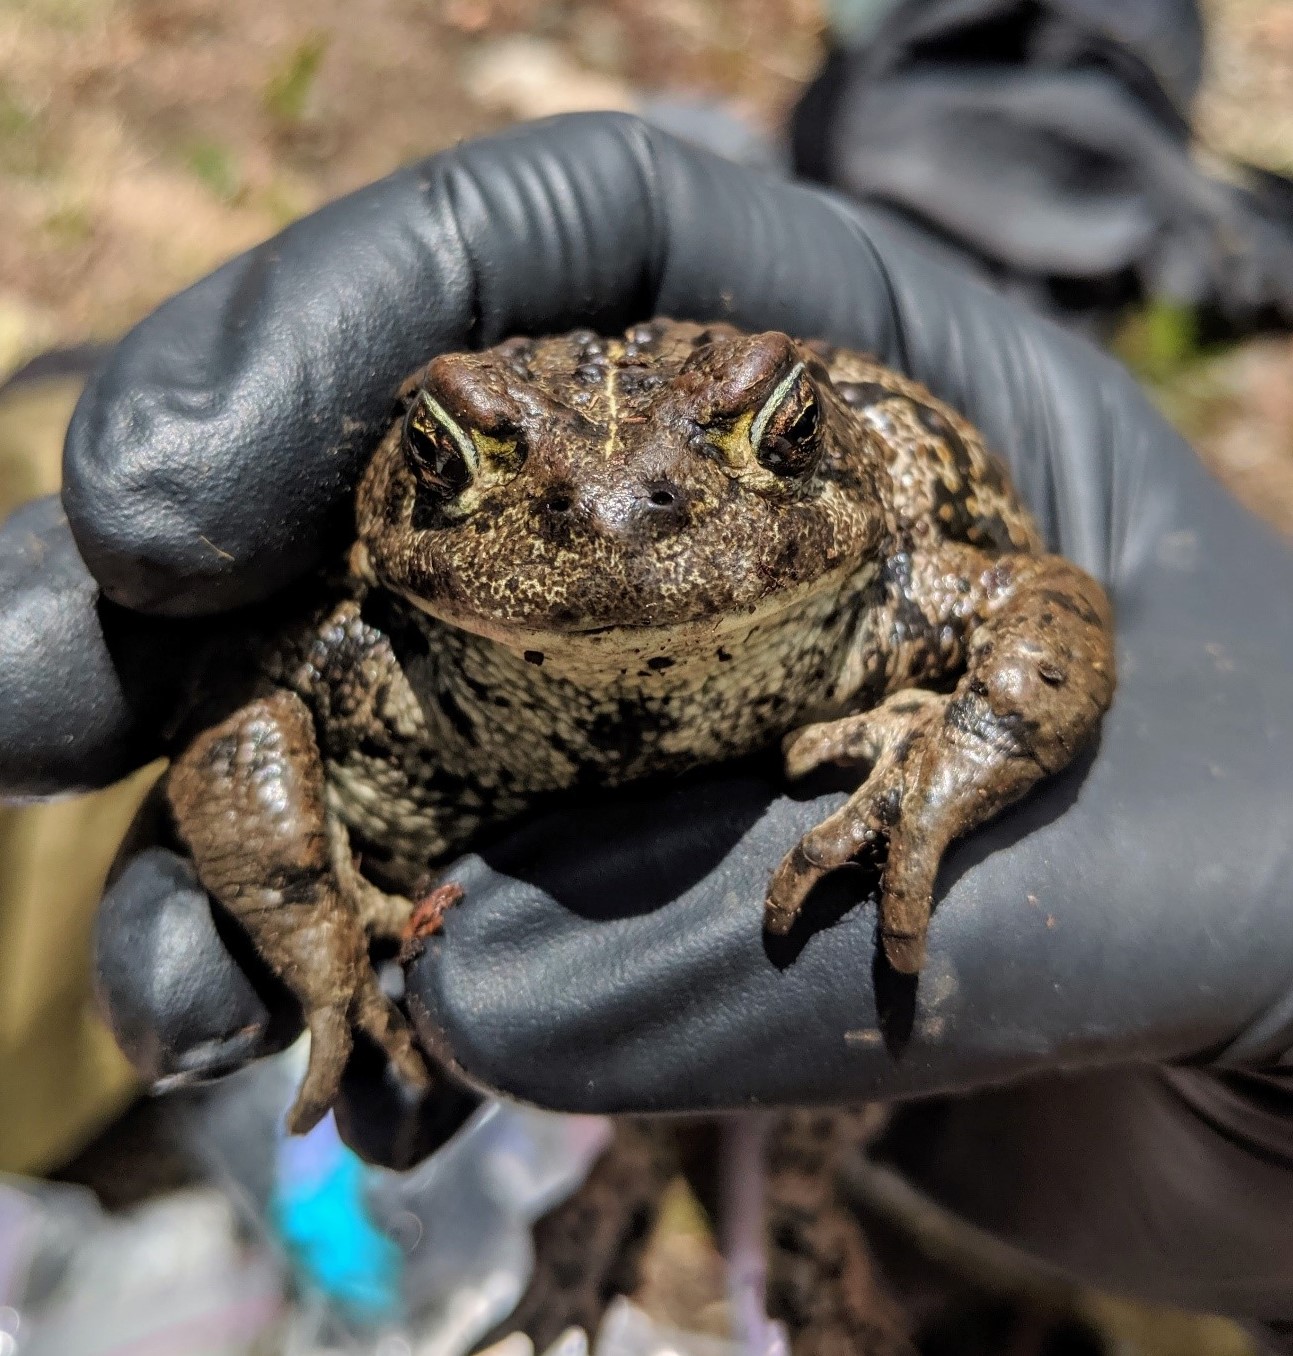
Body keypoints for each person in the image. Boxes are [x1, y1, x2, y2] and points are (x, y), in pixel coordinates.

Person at [1, 113, 1290, 1340]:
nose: (625, 522)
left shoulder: (896, 574)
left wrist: (971, 752)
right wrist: (308, 919)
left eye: (774, 438)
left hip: (813, 680)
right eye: (463, 463)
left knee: (797, 1130)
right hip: (498, 802)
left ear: (819, 445)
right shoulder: (370, 642)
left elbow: (1041, 605)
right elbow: (243, 721)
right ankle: (640, 1193)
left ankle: (770, 1219)